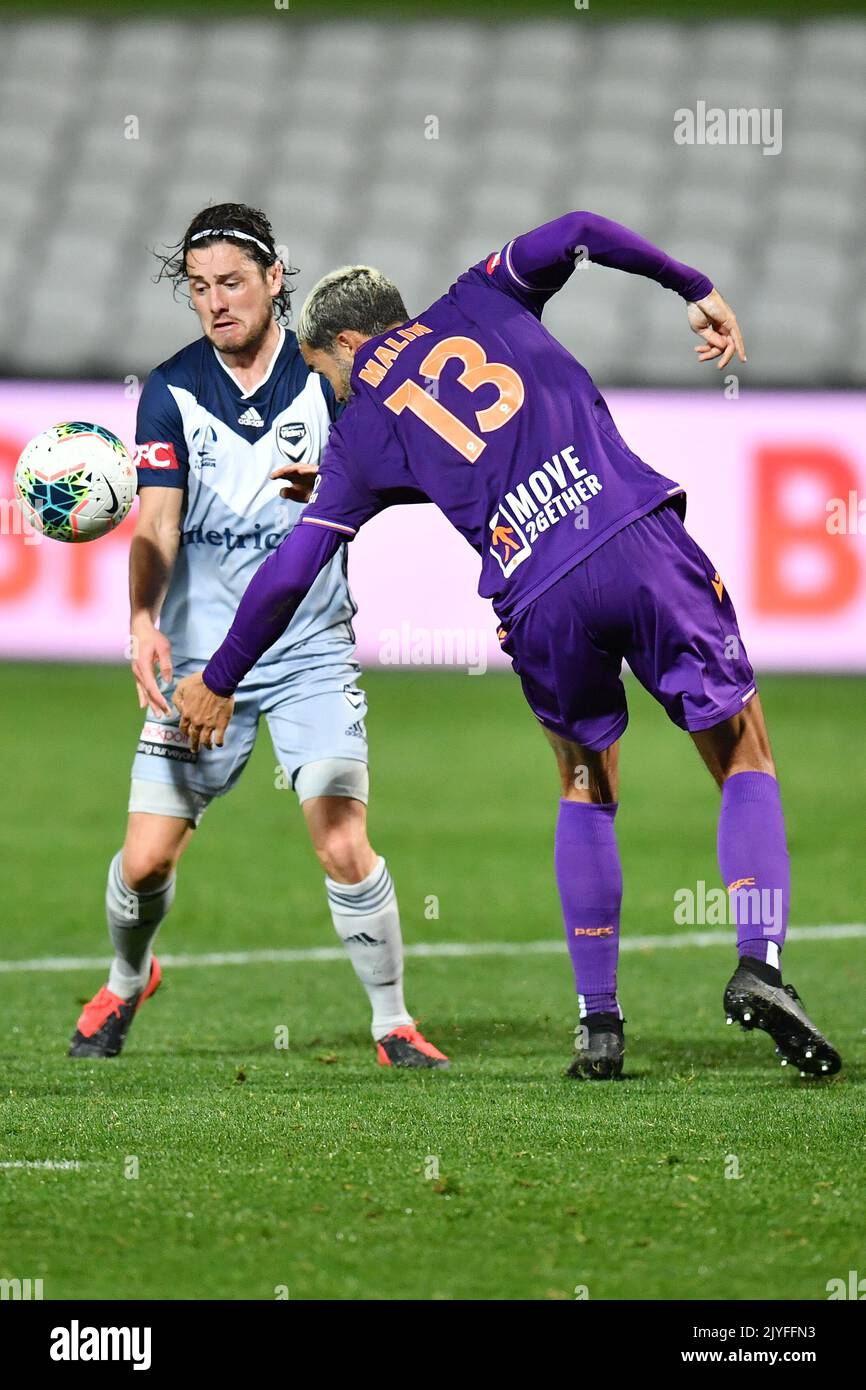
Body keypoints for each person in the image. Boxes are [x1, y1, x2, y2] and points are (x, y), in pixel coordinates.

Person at [173, 210, 841, 1081]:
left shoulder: (363, 434)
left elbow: (293, 568)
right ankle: (761, 962)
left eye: (325, 373)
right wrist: (693, 287)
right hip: (630, 535)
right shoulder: (485, 293)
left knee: (584, 780)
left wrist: (220, 678)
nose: (334, 392)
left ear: (342, 340)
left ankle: (599, 1027)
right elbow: (578, 227)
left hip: (540, 594)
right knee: (741, 747)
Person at [68, 202, 448, 1071]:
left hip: (310, 647)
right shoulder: (169, 391)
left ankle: (392, 1024)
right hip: (202, 661)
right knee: (144, 863)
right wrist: (140, 620)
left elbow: (424, 465)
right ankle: (128, 980)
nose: (215, 302)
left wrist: (349, 480)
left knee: (342, 837)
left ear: (277, 279)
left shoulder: (327, 381)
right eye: (199, 288)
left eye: (232, 282)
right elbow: (156, 527)